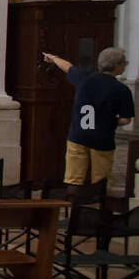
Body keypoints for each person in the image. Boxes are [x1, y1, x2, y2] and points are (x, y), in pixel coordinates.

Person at [44, 48, 134, 186]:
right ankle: (99, 205)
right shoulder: (121, 89)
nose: (124, 66)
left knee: (73, 179)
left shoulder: (84, 77)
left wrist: (54, 58)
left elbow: (68, 67)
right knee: (101, 181)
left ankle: (73, 204)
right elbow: (125, 119)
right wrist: (109, 121)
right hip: (102, 138)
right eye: (124, 63)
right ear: (117, 65)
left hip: (78, 136)